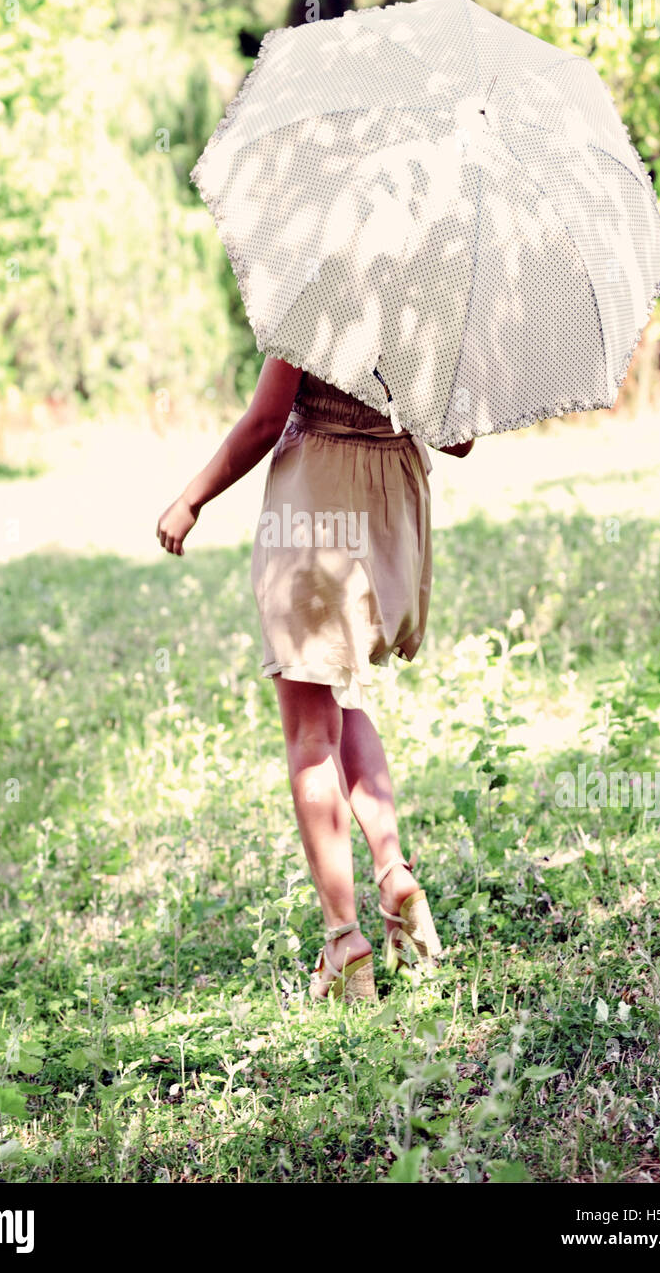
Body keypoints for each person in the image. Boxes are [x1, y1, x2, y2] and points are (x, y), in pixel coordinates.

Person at [157, 357, 475, 1004]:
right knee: (338, 696)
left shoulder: (315, 295)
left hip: (317, 510)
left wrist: (191, 497)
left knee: (308, 731)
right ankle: (392, 874)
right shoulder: (427, 303)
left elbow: (266, 420)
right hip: (390, 511)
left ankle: (343, 941)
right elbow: (459, 437)